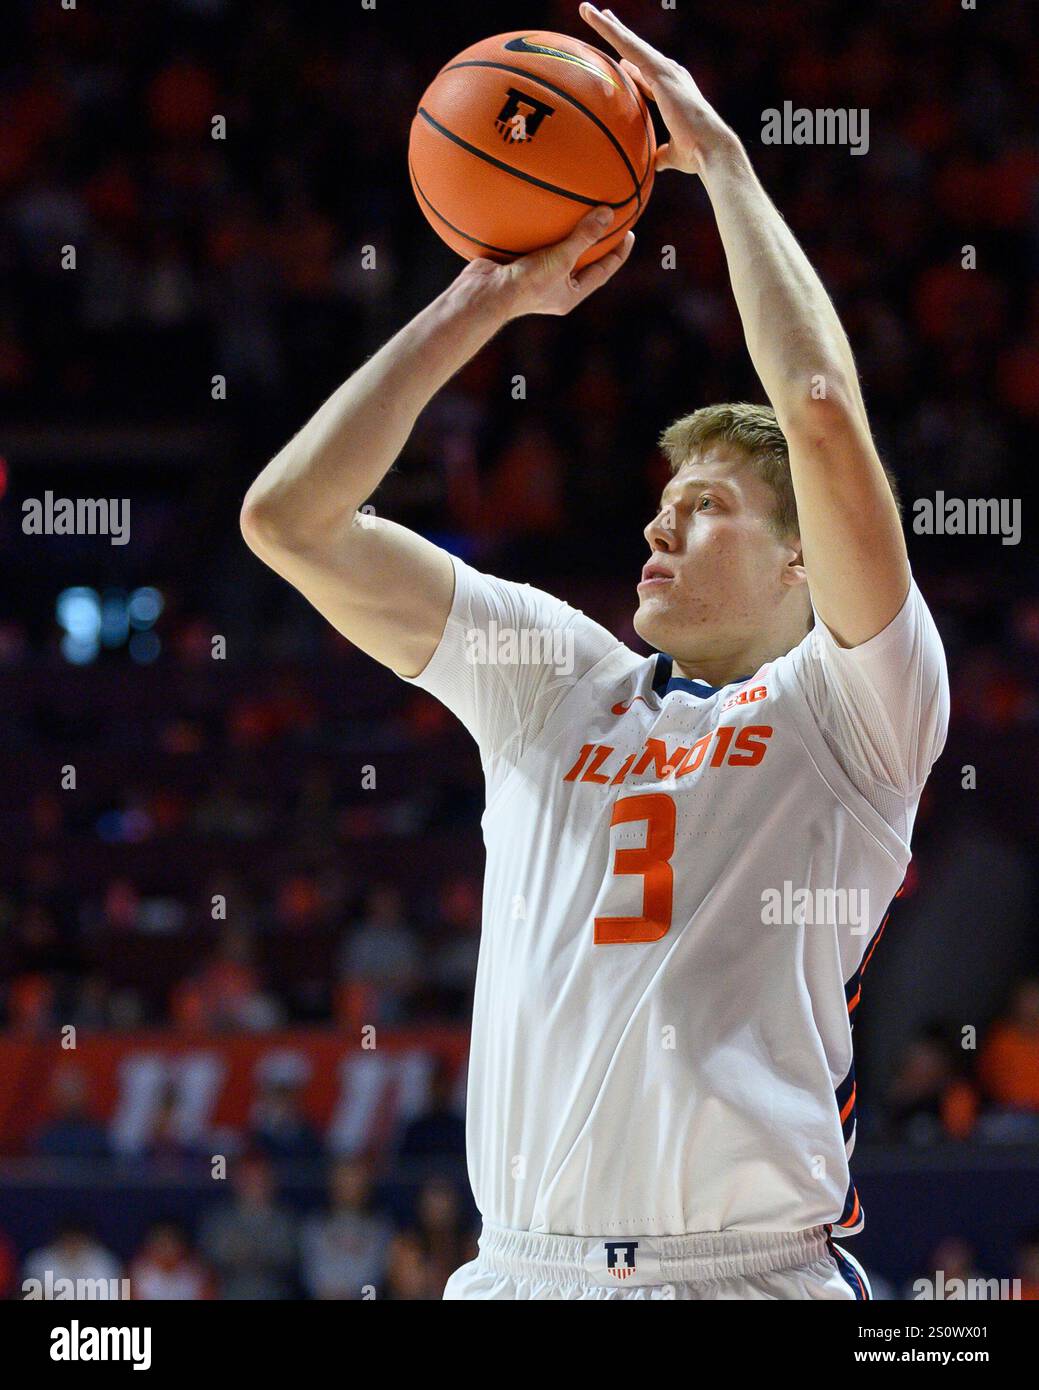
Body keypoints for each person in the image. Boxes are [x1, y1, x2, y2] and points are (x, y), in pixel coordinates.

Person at [240, 5, 948, 1300]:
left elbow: (824, 411)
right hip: (522, 1273)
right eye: (659, 503)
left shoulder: (858, 706)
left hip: (753, 1276)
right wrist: (481, 300)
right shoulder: (558, 678)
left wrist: (727, 168)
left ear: (802, 561)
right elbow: (291, 519)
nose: (657, 526)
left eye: (708, 507)